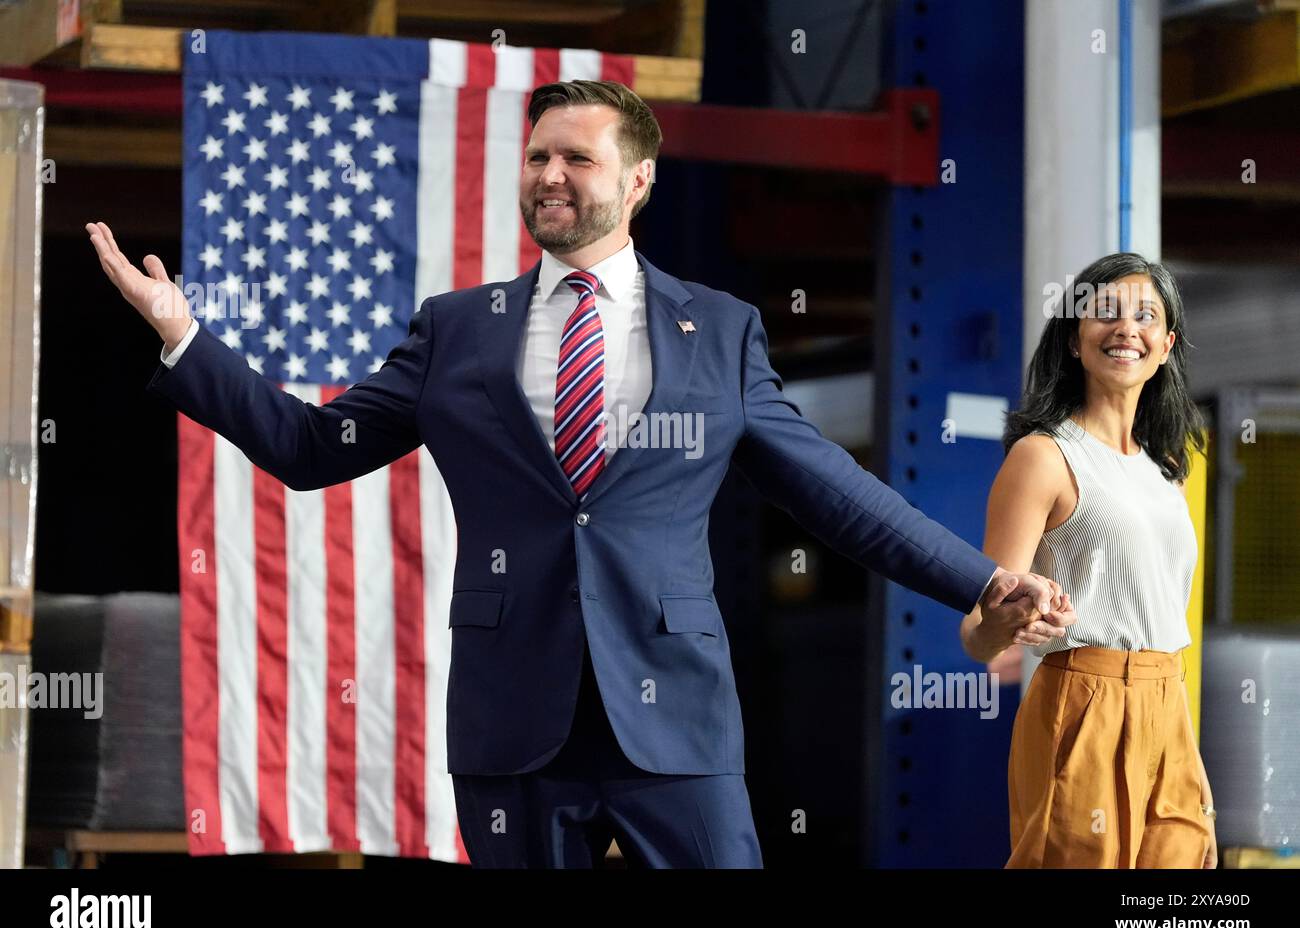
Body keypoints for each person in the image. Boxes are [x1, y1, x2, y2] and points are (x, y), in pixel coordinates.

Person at [87, 79, 1066, 868]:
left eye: (576, 158)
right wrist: (186, 338)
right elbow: (311, 450)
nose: (550, 175)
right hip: (516, 722)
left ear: (637, 180)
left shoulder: (718, 330)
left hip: (672, 719)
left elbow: (834, 494)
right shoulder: (457, 328)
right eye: (537, 157)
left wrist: (982, 581)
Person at [959, 252, 1216, 868]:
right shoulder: (1042, 457)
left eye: (1145, 317)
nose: (1127, 328)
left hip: (1168, 706)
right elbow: (976, 634)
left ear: (1165, 345)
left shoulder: (1168, 471)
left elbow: (1162, 621)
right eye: (1106, 313)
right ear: (1075, 339)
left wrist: (1192, 760)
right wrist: (1011, 621)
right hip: (1081, 705)